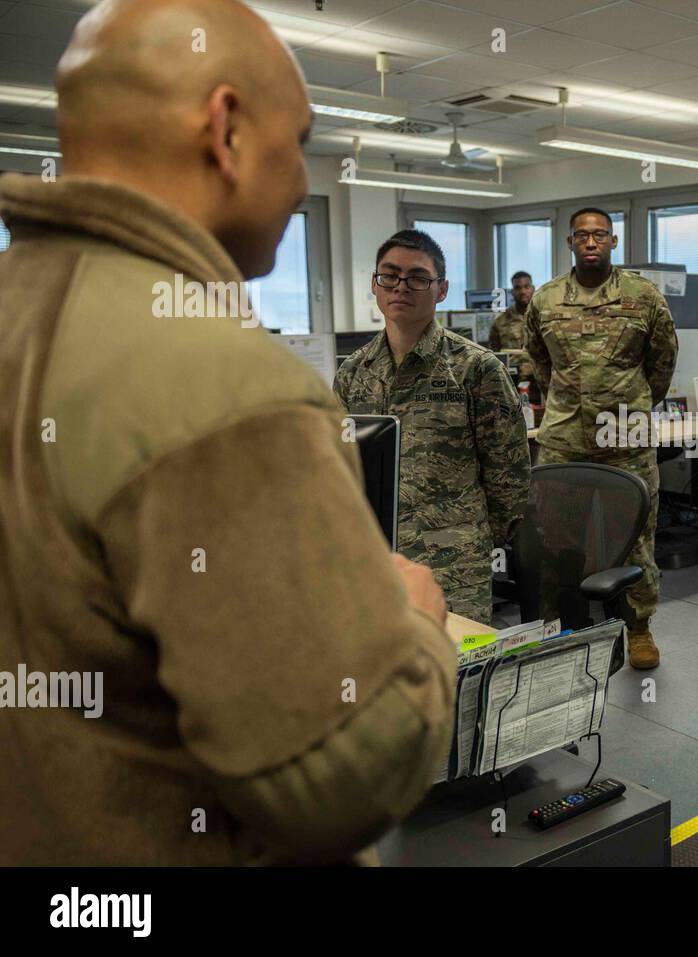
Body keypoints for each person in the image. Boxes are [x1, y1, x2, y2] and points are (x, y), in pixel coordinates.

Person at [0, 0, 459, 865]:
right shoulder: (228, 387)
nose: (298, 183)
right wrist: (418, 626)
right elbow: (344, 767)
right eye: (299, 142)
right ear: (227, 128)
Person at [334, 230, 531, 625]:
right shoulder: (354, 371)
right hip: (373, 555)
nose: (401, 287)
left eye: (418, 278)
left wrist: (472, 540)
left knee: (461, 675)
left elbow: (509, 474)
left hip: (454, 562)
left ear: (440, 290)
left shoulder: (475, 368)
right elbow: (338, 465)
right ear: (375, 284)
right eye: (389, 275)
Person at [524, 207, 677, 669]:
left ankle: (640, 627)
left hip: (626, 434)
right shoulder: (546, 300)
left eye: (600, 235)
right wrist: (570, 402)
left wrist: (628, 402)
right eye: (582, 236)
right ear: (570, 243)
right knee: (557, 535)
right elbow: (539, 363)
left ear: (613, 242)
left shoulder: (644, 296)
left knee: (635, 537)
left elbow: (662, 364)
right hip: (564, 437)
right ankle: (561, 630)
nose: (591, 242)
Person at [489, 270, 535, 383]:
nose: (522, 291)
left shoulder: (543, 317)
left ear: (533, 289)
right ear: (512, 292)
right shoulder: (500, 322)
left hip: (538, 382)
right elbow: (494, 354)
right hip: (511, 382)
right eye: (518, 288)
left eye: (526, 286)